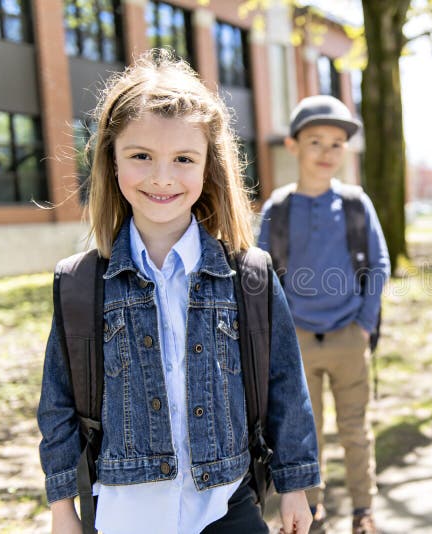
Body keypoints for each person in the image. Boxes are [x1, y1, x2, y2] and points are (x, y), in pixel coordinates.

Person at [37, 50, 319, 534]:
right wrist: (63, 508)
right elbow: (57, 403)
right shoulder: (82, 283)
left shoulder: (249, 275)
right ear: (113, 158)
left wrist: (295, 484)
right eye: (141, 156)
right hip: (126, 513)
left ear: (208, 166)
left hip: (224, 506)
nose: (163, 177)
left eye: (183, 159)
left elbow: (285, 386)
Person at [258, 95, 390, 534]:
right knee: (300, 434)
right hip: (295, 342)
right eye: (315, 141)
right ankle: (309, 510)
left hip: (348, 336)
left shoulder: (355, 203)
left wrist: (364, 324)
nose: (326, 152)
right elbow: (259, 275)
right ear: (293, 145)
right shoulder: (277, 208)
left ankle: (362, 508)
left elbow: (379, 264)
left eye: (336, 144)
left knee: (355, 429)